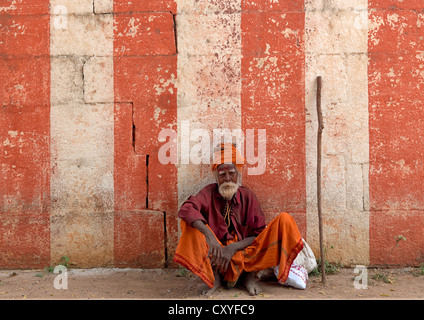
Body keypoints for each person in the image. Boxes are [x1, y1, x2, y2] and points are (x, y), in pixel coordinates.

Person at [174, 143, 304, 296]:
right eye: (222, 174)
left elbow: (258, 235)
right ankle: (214, 278)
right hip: (215, 255)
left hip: (245, 256)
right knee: (189, 224)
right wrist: (211, 238)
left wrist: (233, 247)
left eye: (231, 173)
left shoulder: (247, 196)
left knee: (285, 220)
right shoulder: (208, 193)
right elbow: (187, 209)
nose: (227, 178)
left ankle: (248, 277)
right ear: (216, 176)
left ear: (238, 174)